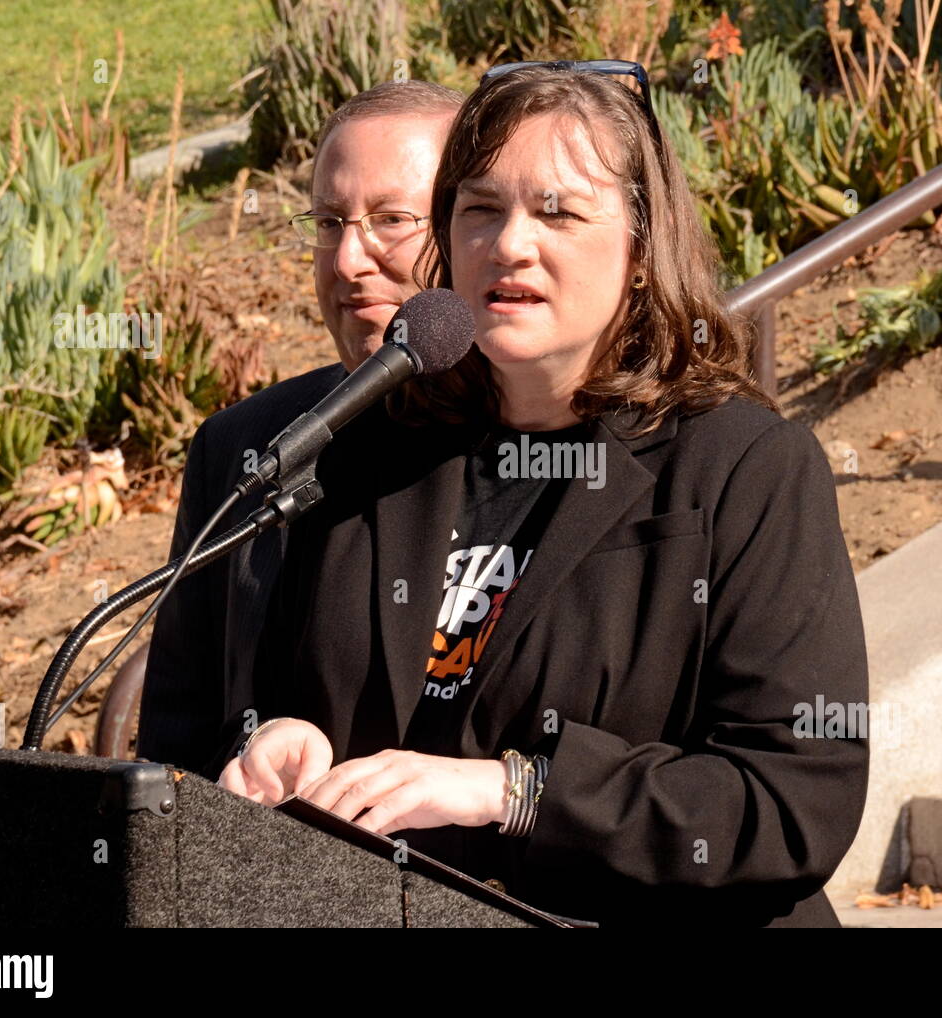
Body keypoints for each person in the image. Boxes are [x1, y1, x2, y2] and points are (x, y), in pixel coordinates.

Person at [205, 62, 870, 927]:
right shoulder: (369, 450)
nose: (510, 243)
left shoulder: (744, 468)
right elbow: (242, 712)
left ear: (639, 249)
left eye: (557, 211)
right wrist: (276, 741)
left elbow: (791, 802)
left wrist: (517, 791)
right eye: (480, 208)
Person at [136, 80, 464, 783]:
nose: (349, 260)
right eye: (328, 223)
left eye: (391, 220)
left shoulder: (541, 447)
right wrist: (245, 763)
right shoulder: (241, 447)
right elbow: (173, 751)